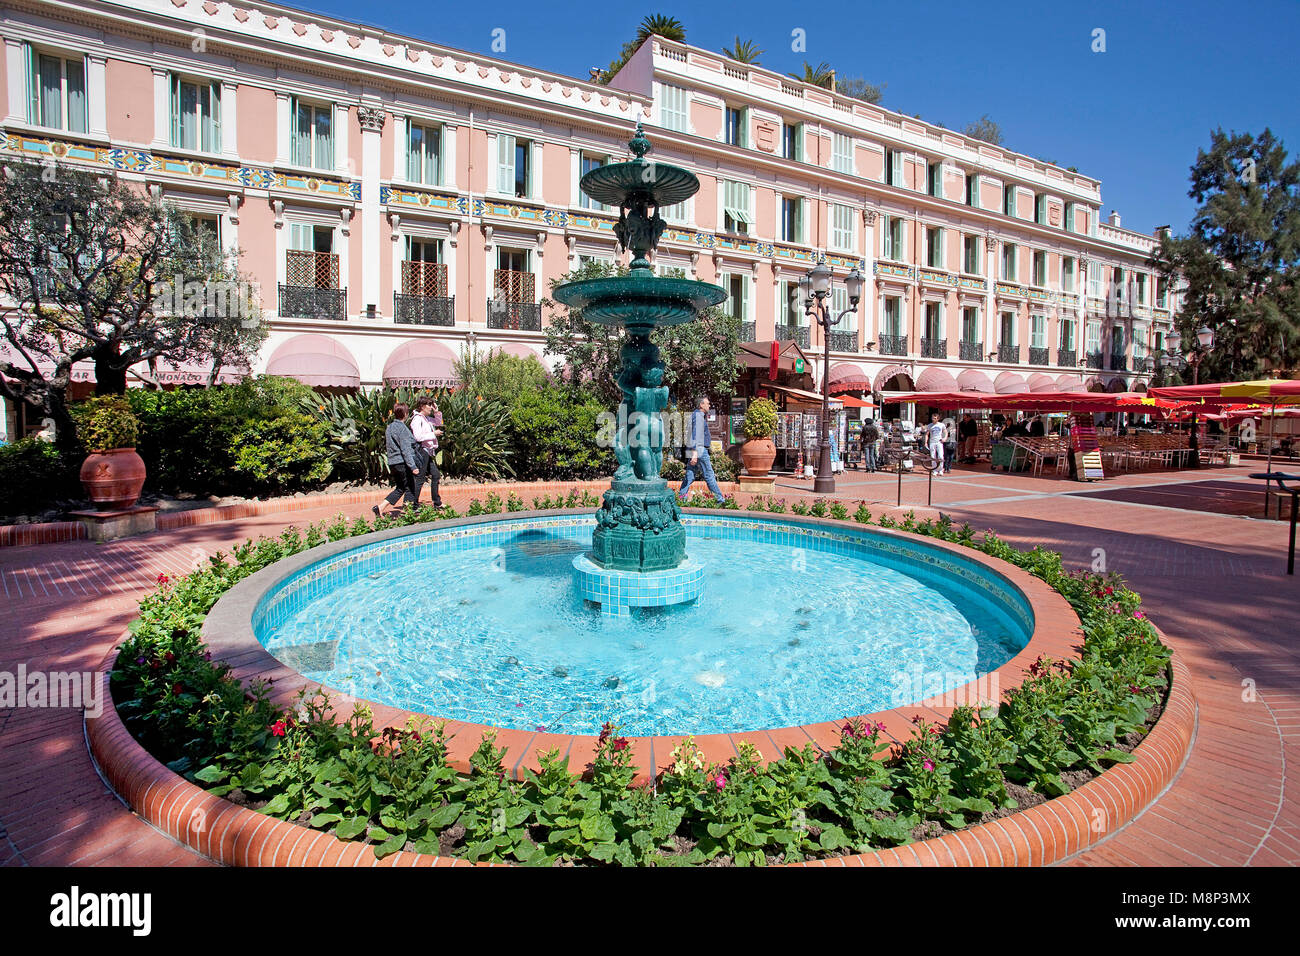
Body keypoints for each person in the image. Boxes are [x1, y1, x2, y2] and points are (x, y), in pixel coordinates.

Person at [677, 395, 727, 504]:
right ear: (701, 405)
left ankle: (681, 498)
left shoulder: (696, 415)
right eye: (707, 403)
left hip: (695, 449)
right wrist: (695, 453)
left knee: (690, 474)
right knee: (709, 475)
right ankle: (720, 500)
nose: (709, 405)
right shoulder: (698, 416)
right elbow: (696, 435)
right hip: (699, 450)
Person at [373, 403, 420, 516]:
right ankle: (408, 512)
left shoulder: (390, 427)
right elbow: (405, 449)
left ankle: (380, 507)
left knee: (400, 488)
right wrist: (413, 466)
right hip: (402, 462)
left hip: (393, 463)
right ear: (405, 414)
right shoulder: (402, 428)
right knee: (410, 487)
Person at [410, 395, 443, 508]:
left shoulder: (426, 419)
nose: (430, 407)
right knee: (420, 478)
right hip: (422, 451)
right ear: (422, 406)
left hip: (428, 452)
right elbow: (418, 437)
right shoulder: (417, 419)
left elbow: (438, 423)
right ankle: (413, 505)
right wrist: (433, 434)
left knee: (436, 475)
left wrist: (437, 412)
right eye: (429, 405)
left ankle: (436, 502)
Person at [925, 412, 946, 476]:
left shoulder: (941, 425)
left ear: (938, 419)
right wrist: (926, 442)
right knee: (933, 456)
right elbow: (927, 434)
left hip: (939, 442)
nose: (933, 419)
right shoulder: (929, 425)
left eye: (935, 418)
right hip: (932, 442)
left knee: (940, 456)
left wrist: (944, 438)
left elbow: (945, 432)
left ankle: (940, 469)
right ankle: (934, 470)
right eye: (932, 418)